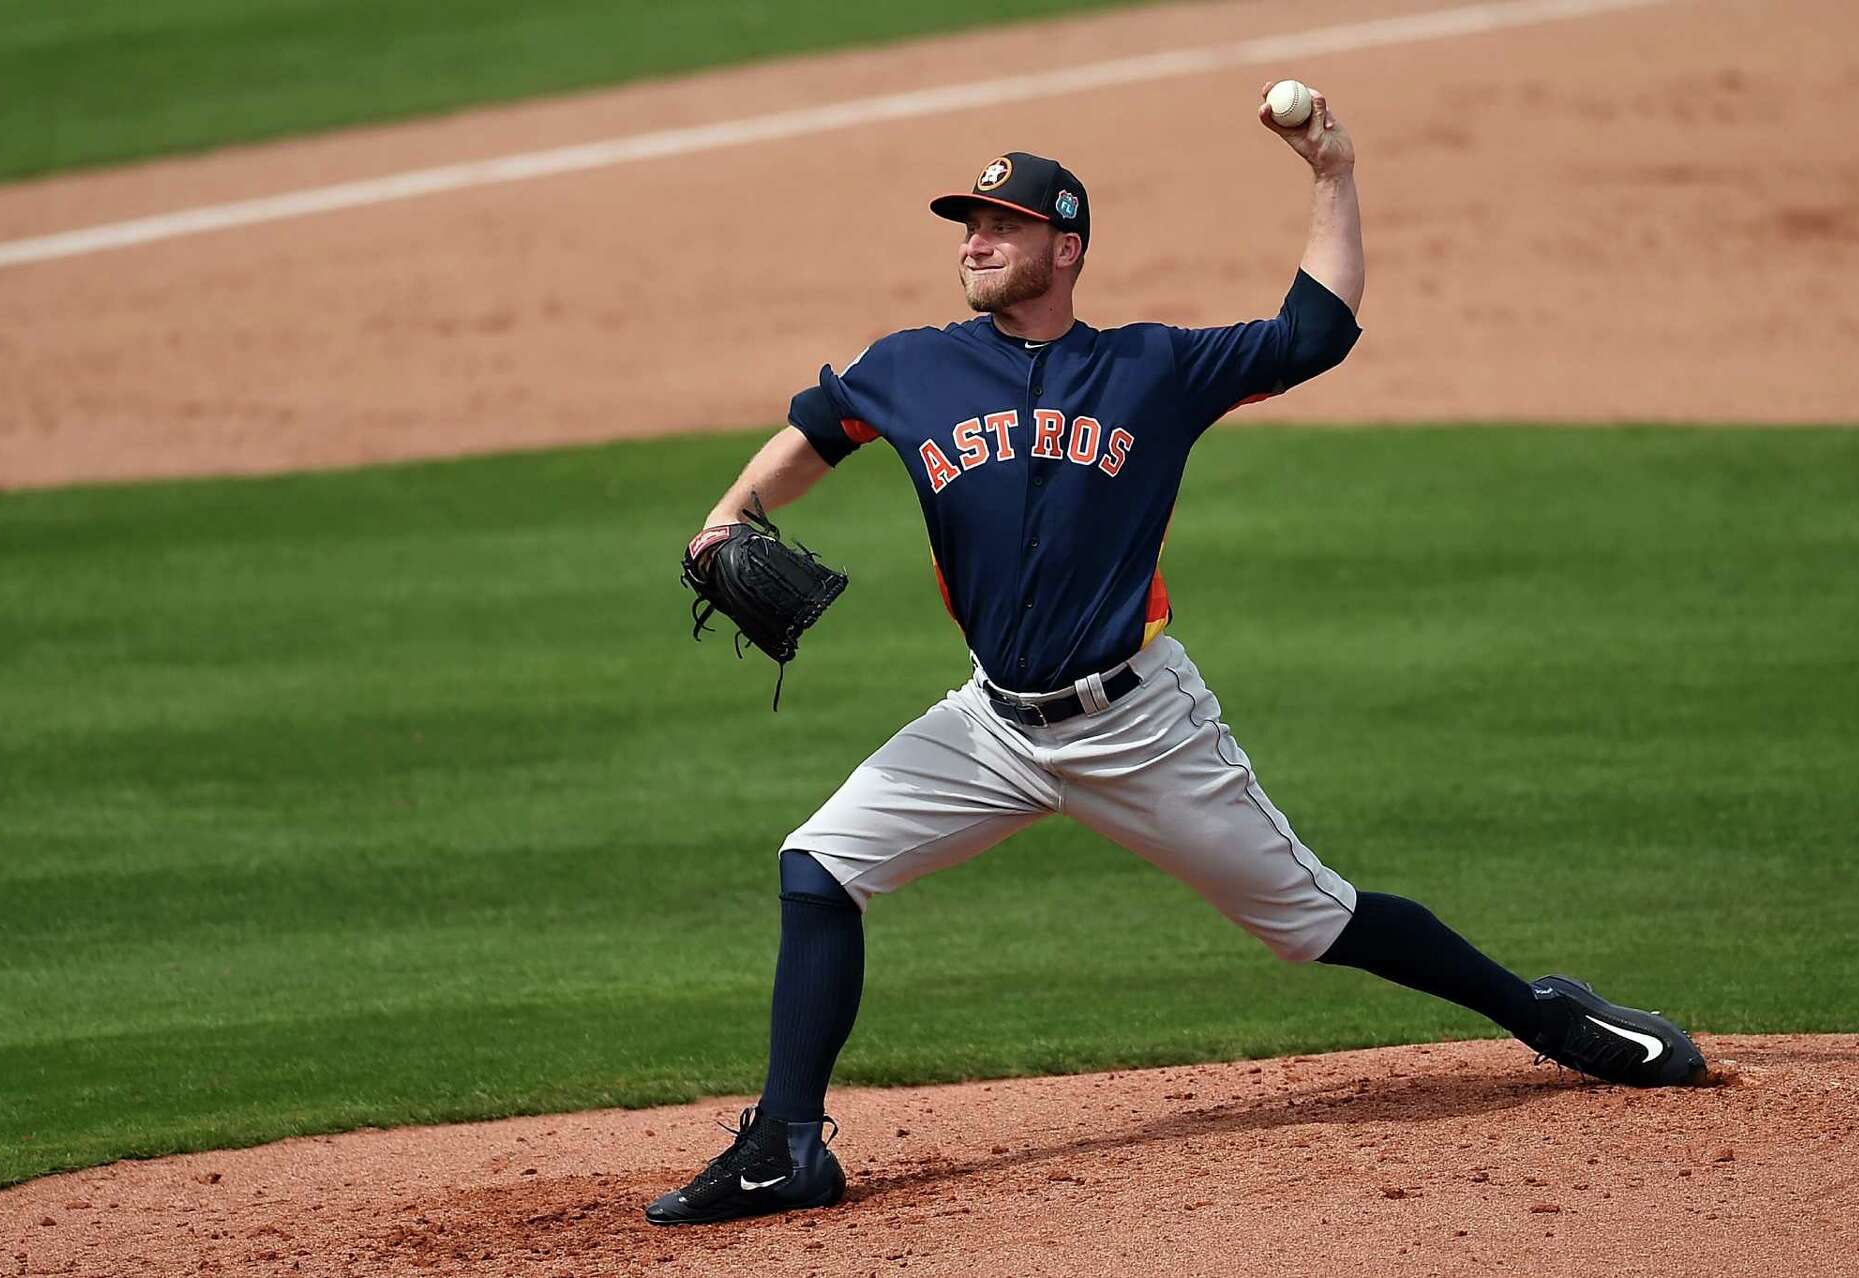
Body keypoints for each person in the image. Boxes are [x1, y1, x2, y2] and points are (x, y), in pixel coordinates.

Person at [648, 85, 1704, 1227]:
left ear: (1067, 247)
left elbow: (1316, 331)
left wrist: (1332, 173)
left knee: (1317, 922)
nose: (977, 240)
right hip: (990, 725)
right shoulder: (914, 368)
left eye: (1001, 224)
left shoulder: (1151, 368)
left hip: (1140, 726)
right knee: (818, 867)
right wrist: (722, 520)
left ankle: (1546, 1014)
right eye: (968, 224)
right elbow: (816, 430)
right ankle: (787, 1149)